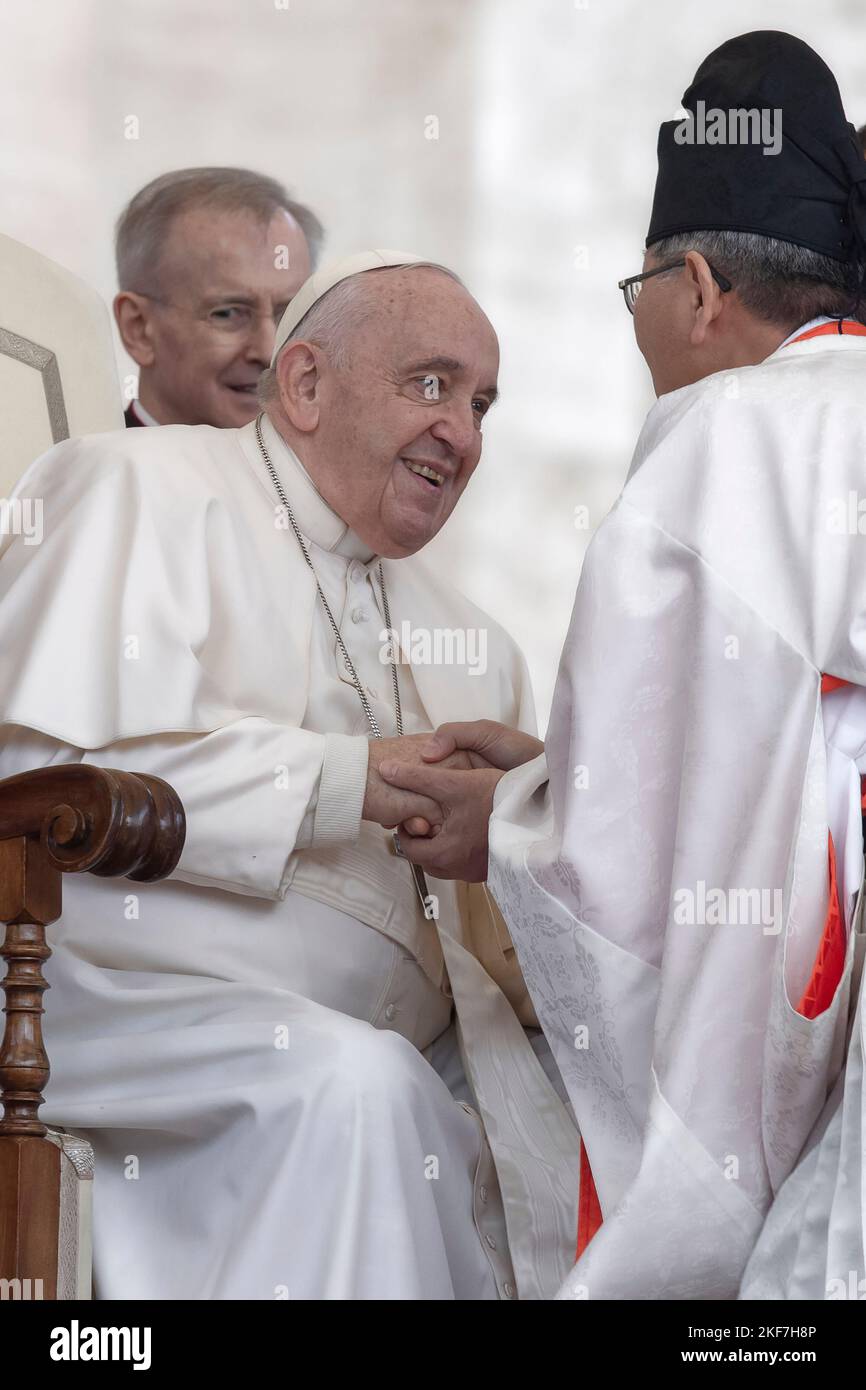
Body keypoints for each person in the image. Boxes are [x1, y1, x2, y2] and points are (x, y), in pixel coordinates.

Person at [381, 31, 866, 1299]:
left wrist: (515, 822)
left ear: (696, 286)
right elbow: (779, 754)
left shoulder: (728, 430)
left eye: (636, 289)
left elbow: (634, 860)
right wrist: (558, 781)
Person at [0, 250, 580, 1300]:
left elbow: (496, 949)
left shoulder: (478, 645)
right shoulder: (136, 488)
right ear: (306, 385)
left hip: (403, 1051)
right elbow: (42, 775)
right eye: (431, 384)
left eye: (483, 403)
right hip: (125, 1006)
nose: (464, 433)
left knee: (583, 1129)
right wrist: (344, 780)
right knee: (356, 1089)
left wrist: (520, 825)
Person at [114, 167, 323, 428]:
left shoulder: (333, 467)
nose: (269, 352)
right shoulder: (97, 468)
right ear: (138, 329)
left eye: (290, 314)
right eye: (228, 313)